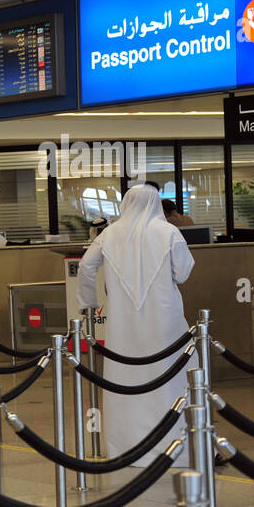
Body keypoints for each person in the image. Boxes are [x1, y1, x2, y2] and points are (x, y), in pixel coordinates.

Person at [79, 183, 194, 467]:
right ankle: (175, 443)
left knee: (126, 378)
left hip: (123, 324)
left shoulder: (109, 233)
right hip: (165, 320)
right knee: (170, 376)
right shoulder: (169, 232)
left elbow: (85, 267)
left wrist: (88, 302)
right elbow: (183, 273)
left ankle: (126, 446)